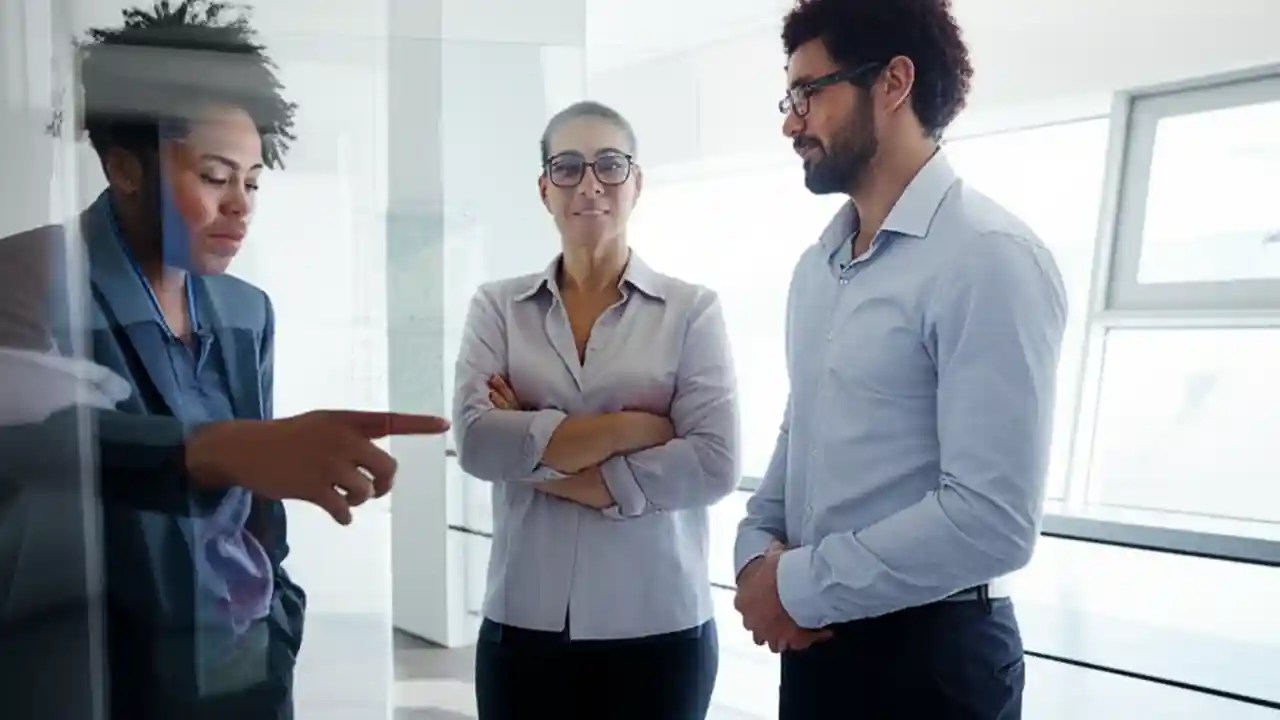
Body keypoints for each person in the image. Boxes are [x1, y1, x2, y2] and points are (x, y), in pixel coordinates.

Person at [0, 2, 450, 718]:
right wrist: (218, 450)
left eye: (252, 181)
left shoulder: (246, 308)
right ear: (124, 168)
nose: (241, 206)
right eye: (215, 176)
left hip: (246, 664)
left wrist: (280, 616)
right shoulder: (28, 273)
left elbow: (258, 506)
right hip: (110, 677)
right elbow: (33, 451)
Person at [732, 1, 1068, 718]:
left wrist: (794, 586)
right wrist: (755, 552)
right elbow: (804, 436)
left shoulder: (988, 258)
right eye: (789, 98)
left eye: (808, 92)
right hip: (818, 646)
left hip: (933, 664)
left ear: (893, 83)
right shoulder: (817, 267)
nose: (792, 122)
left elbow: (992, 518)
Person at [452, 100, 740, 720]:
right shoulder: (498, 307)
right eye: (568, 167)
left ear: (636, 183)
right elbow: (476, 443)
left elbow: (713, 464)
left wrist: (533, 444)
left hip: (659, 630)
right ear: (543, 189)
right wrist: (632, 429)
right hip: (522, 628)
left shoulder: (692, 311)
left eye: (610, 165)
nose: (590, 184)